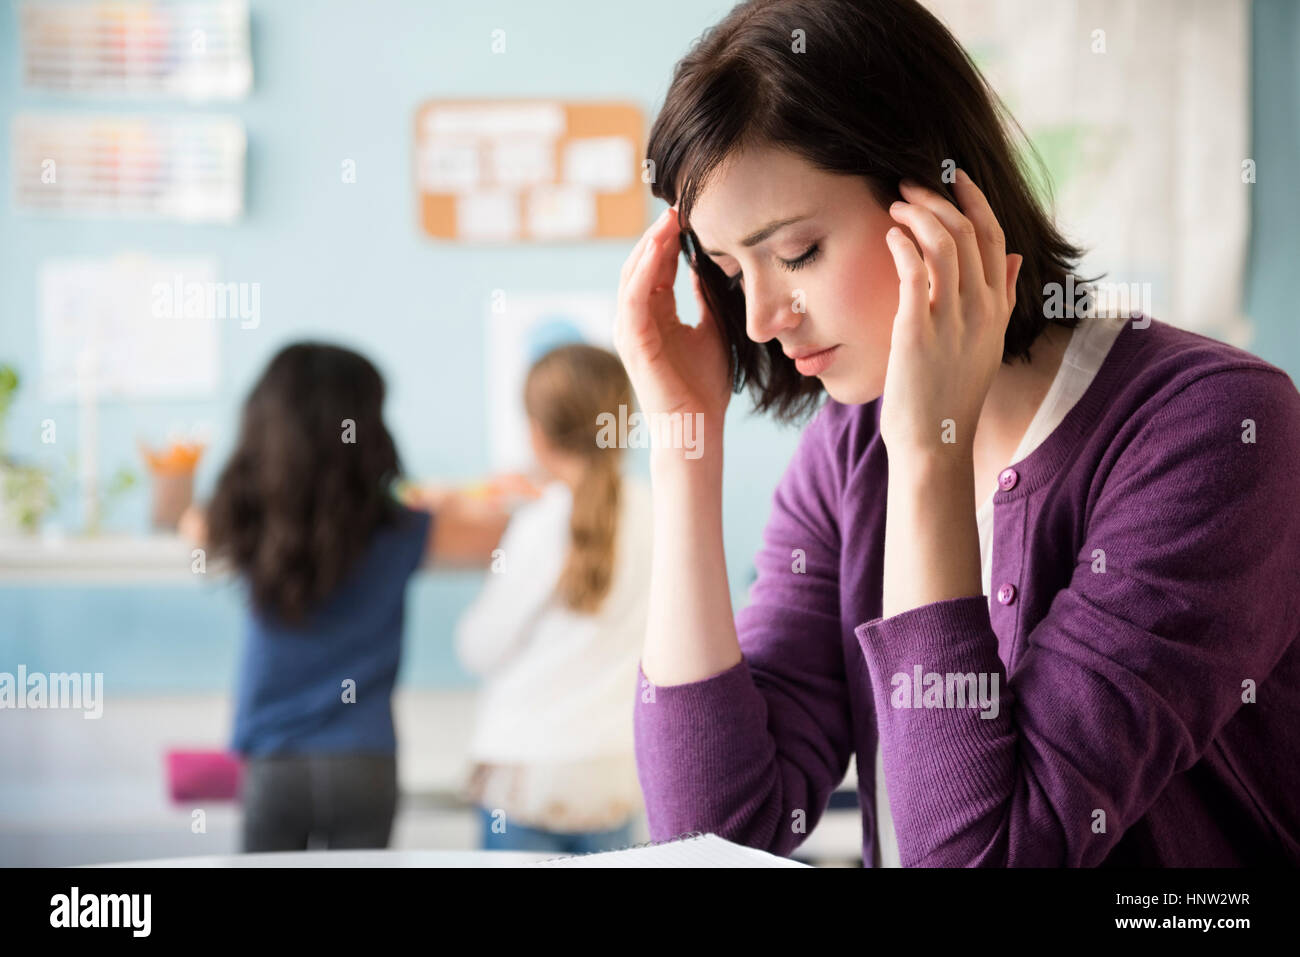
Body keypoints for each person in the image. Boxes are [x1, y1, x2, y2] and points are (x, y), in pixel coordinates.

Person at [615, 0, 1300, 866]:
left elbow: (986, 856)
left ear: (935, 199)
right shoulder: (847, 449)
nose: (756, 320)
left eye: (794, 254)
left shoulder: (1214, 430)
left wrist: (931, 455)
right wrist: (684, 444)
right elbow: (717, 837)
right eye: (724, 272)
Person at [193, 342, 508, 852]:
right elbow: (501, 529)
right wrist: (440, 498)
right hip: (364, 758)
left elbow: (195, 528)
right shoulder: (402, 526)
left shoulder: (246, 518)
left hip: (274, 760)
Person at [454, 343, 653, 854]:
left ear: (537, 432)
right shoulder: (658, 511)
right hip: (614, 771)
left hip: (529, 772)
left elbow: (479, 648)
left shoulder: (539, 522)